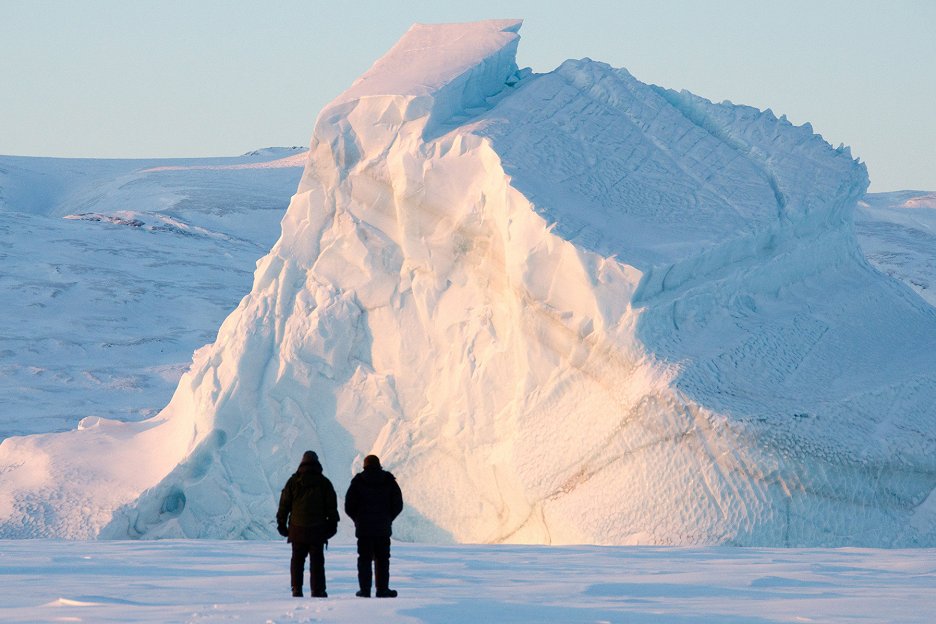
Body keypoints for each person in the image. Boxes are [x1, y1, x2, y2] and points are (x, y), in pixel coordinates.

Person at [276, 450, 339, 598]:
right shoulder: (324, 483)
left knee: (297, 561)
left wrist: (282, 524)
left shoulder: (293, 482)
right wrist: (332, 526)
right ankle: (318, 590)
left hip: (297, 529)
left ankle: (296, 589)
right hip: (318, 530)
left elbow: (284, 505)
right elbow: (332, 507)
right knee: (317, 562)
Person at [344, 454, 404, 598]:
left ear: (364, 466)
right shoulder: (389, 480)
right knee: (382, 559)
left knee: (364, 559)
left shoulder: (358, 481)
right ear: (379, 465)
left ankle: (365, 590)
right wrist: (388, 518)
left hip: (364, 529)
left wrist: (357, 520)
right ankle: (382, 589)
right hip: (382, 528)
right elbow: (398, 504)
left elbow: (348, 506)